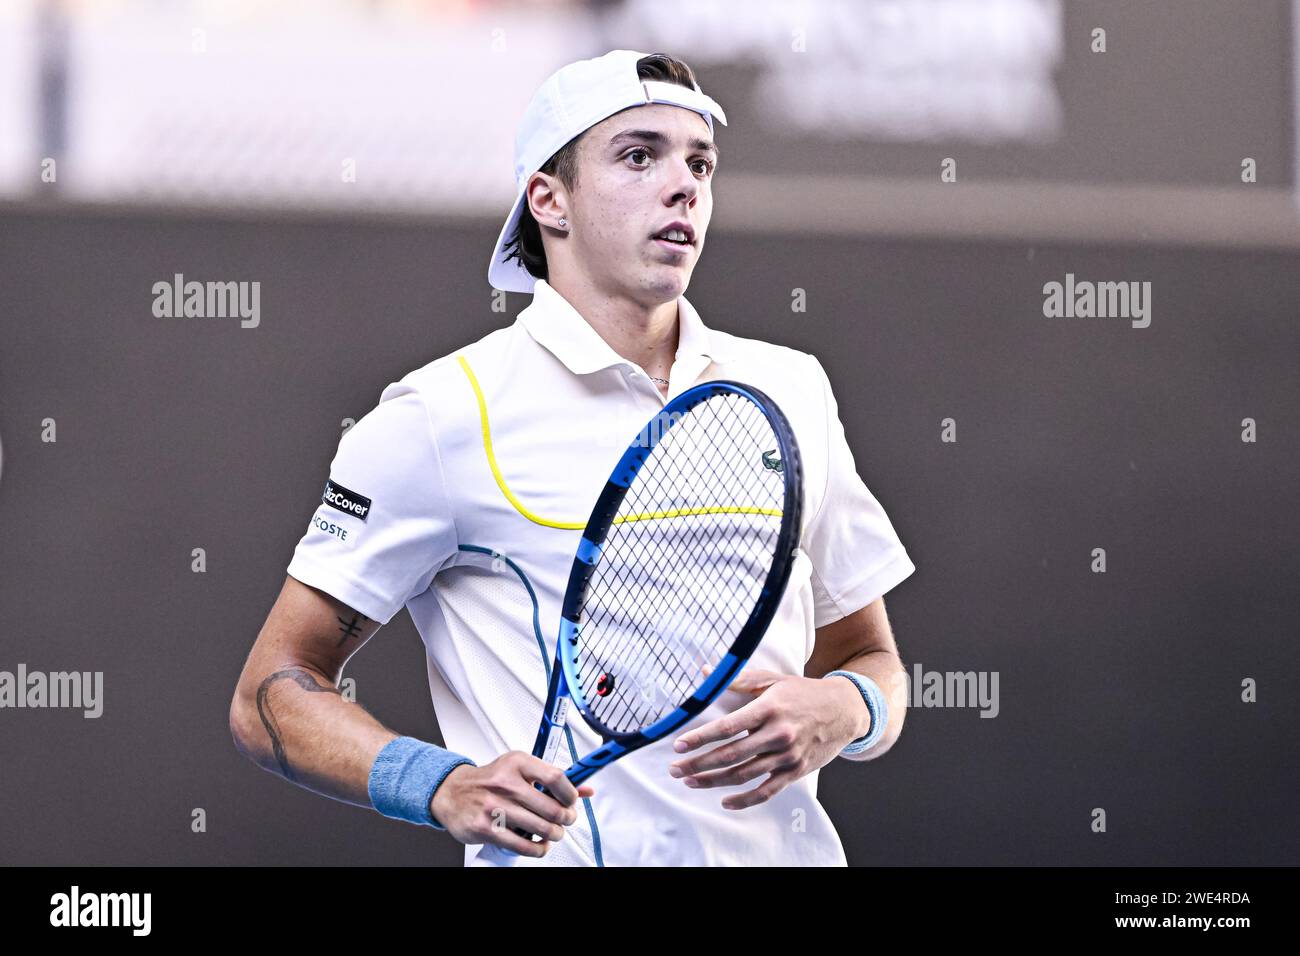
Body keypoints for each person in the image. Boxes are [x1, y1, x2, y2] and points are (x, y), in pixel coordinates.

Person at [229, 49, 915, 866]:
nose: (684, 184)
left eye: (700, 163)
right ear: (548, 199)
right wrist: (441, 785)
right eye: (639, 156)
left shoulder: (791, 387)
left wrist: (845, 709)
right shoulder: (440, 415)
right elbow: (270, 693)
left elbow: (871, 660)